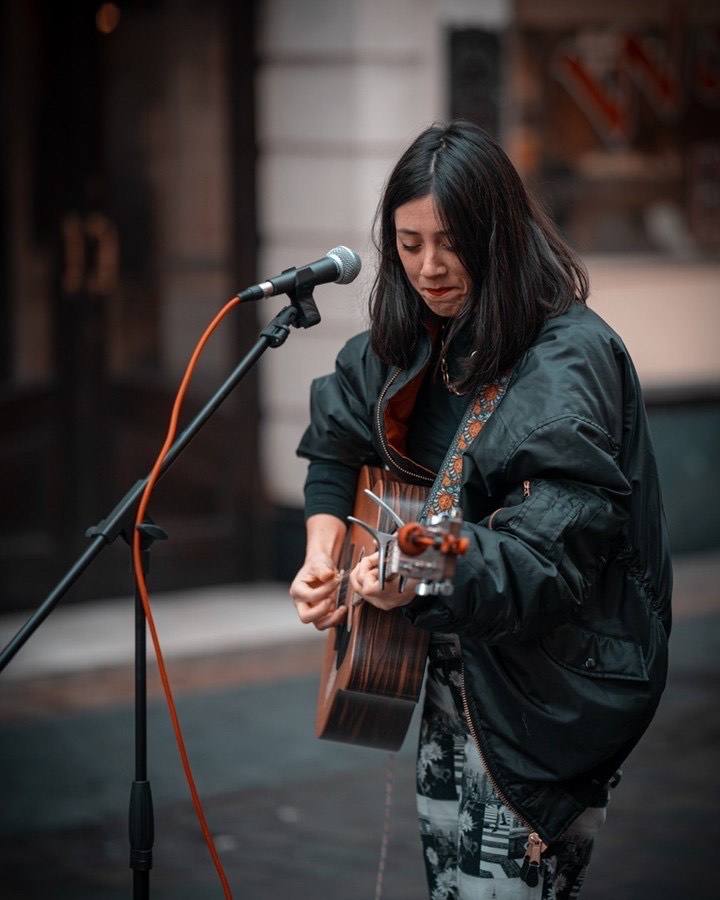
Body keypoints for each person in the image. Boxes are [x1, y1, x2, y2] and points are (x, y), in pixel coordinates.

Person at [290, 121, 671, 899]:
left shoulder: (567, 362)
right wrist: (322, 557)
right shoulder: (410, 339)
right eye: (408, 242)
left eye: (452, 243)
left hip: (541, 702)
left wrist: (412, 566)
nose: (429, 268)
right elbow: (333, 442)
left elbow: (543, 558)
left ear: (500, 236)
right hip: (445, 679)